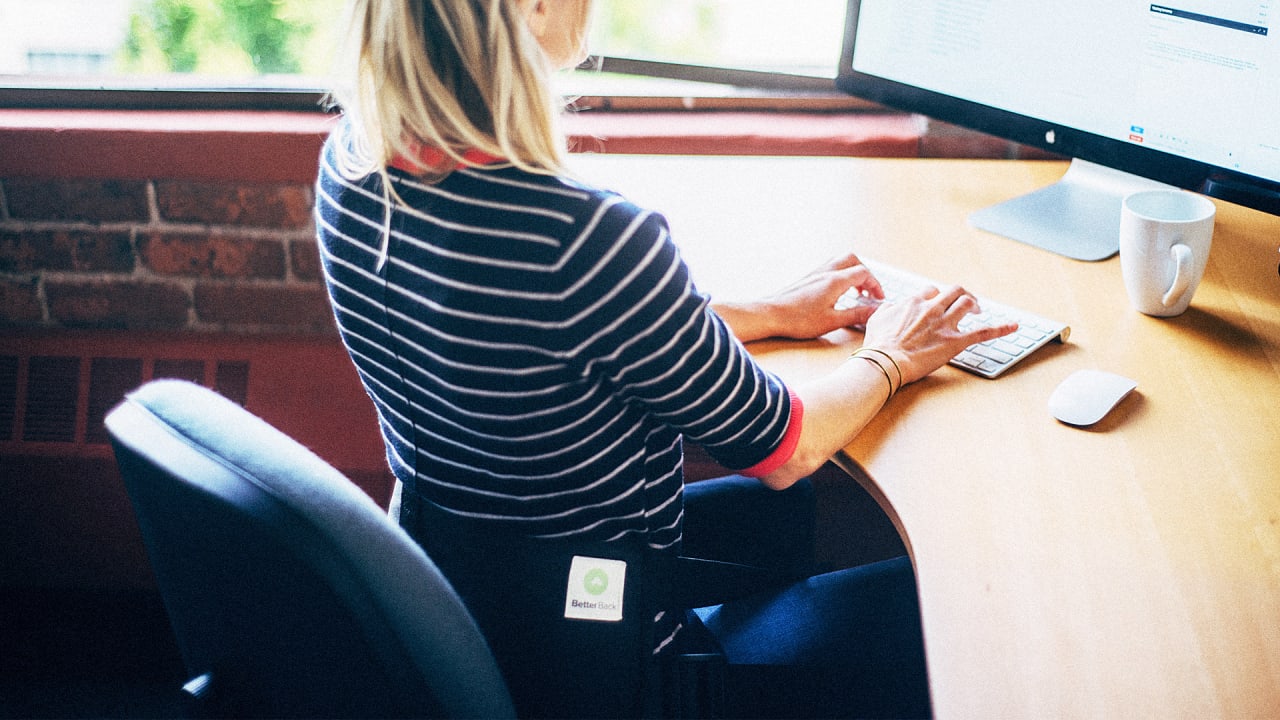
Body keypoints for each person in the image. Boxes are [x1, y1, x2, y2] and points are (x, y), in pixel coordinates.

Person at [315, 0, 1017, 717]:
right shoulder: (585, 235)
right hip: (616, 661)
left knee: (810, 519)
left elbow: (552, 326)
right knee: (941, 607)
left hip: (471, 602)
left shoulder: (354, 166)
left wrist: (771, 313)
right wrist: (893, 355)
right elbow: (787, 449)